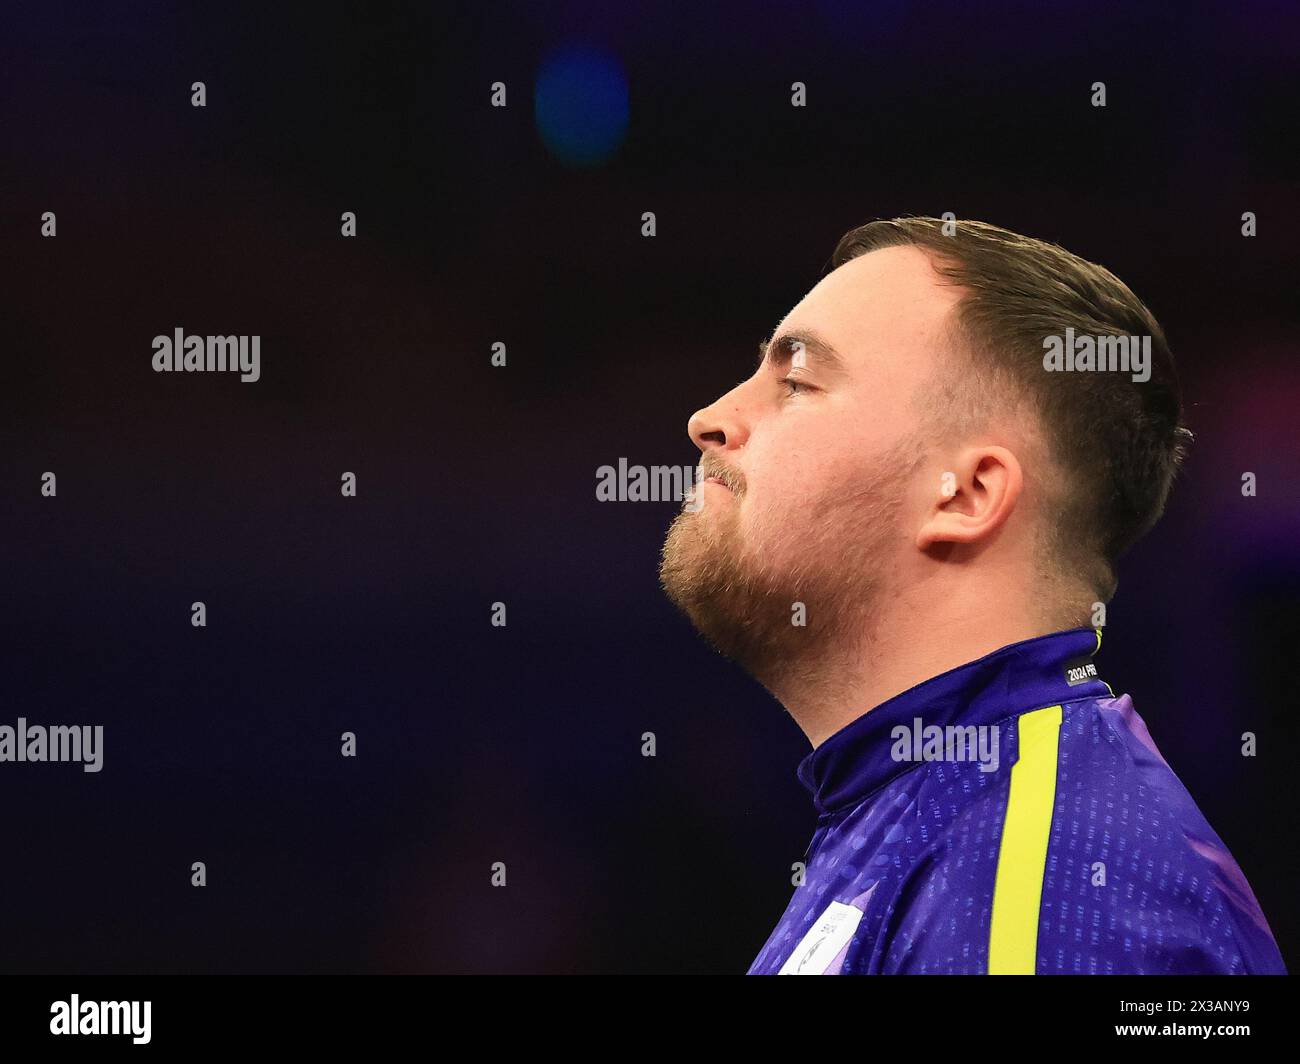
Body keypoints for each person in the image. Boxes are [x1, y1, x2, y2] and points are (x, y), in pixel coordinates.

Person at [658, 217, 1286, 974]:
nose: (709, 420)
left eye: (796, 382)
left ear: (967, 494)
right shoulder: (926, 828)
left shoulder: (1054, 882)